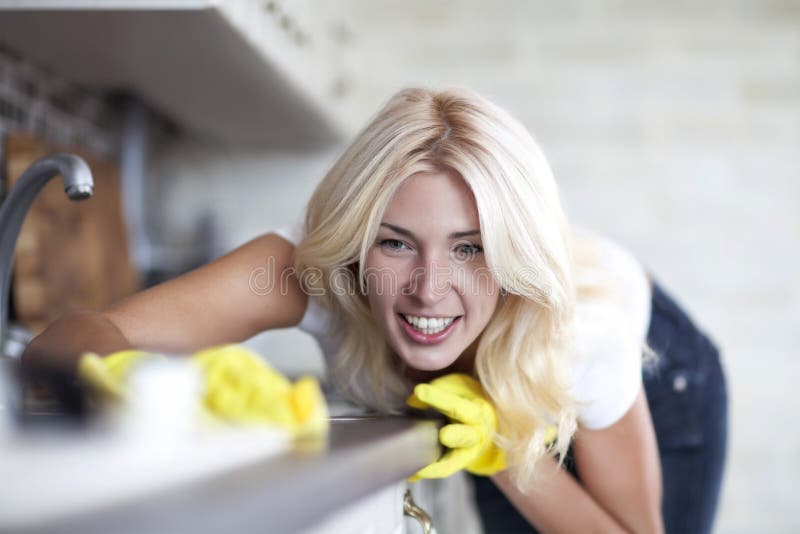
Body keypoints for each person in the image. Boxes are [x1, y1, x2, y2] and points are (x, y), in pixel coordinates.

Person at [21, 87, 727, 533]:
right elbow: (87, 335)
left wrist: (507, 453)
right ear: (357, 242)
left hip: (653, 376)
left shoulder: (579, 333)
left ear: (511, 257)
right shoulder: (311, 270)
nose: (427, 288)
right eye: (395, 242)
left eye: (470, 249)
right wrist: (123, 382)